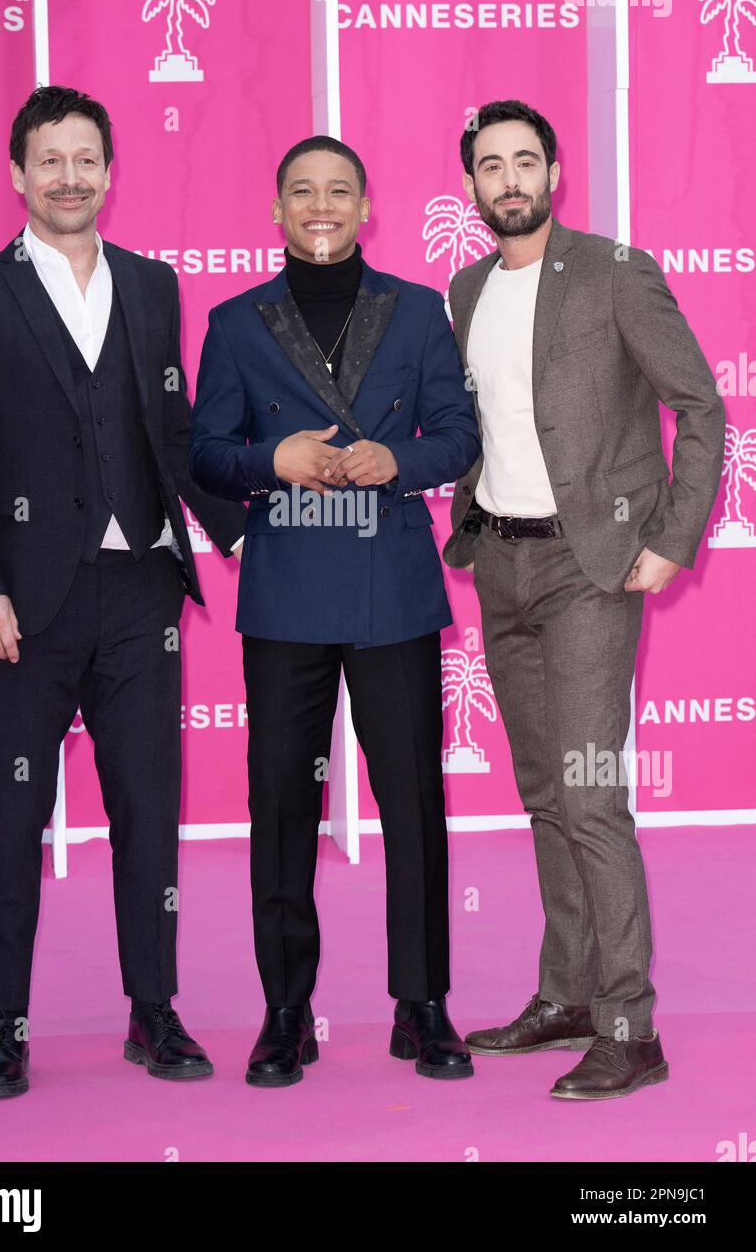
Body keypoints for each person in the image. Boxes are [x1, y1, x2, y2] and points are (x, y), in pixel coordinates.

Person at [0, 85, 246, 1098]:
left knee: (148, 814)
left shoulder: (152, 287)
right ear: (18, 174)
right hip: (22, 606)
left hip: (140, 594)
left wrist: (247, 525)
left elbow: (171, 430)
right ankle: (3, 1027)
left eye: (86, 159)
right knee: (11, 821)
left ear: (109, 172)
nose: (69, 176)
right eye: (49, 160)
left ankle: (152, 1014)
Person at [443, 99, 725, 1099]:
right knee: (540, 795)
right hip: (503, 569)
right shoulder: (464, 288)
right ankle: (564, 992)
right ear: (470, 185)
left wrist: (669, 539)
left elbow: (699, 406)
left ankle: (626, 1025)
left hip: (590, 571)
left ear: (553, 175)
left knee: (590, 794)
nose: (509, 178)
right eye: (490, 165)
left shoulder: (612, 270)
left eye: (525, 161)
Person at [189, 135, 481, 1086]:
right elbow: (205, 453)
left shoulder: (417, 312)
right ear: (277, 210)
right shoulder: (236, 323)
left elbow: (459, 434)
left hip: (392, 590)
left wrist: (402, 460)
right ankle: (286, 1012)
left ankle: (423, 1004)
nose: (322, 205)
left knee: (414, 803)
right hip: (285, 594)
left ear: (366, 207)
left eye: (340, 191)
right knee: (279, 806)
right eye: (303, 192)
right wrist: (270, 463)